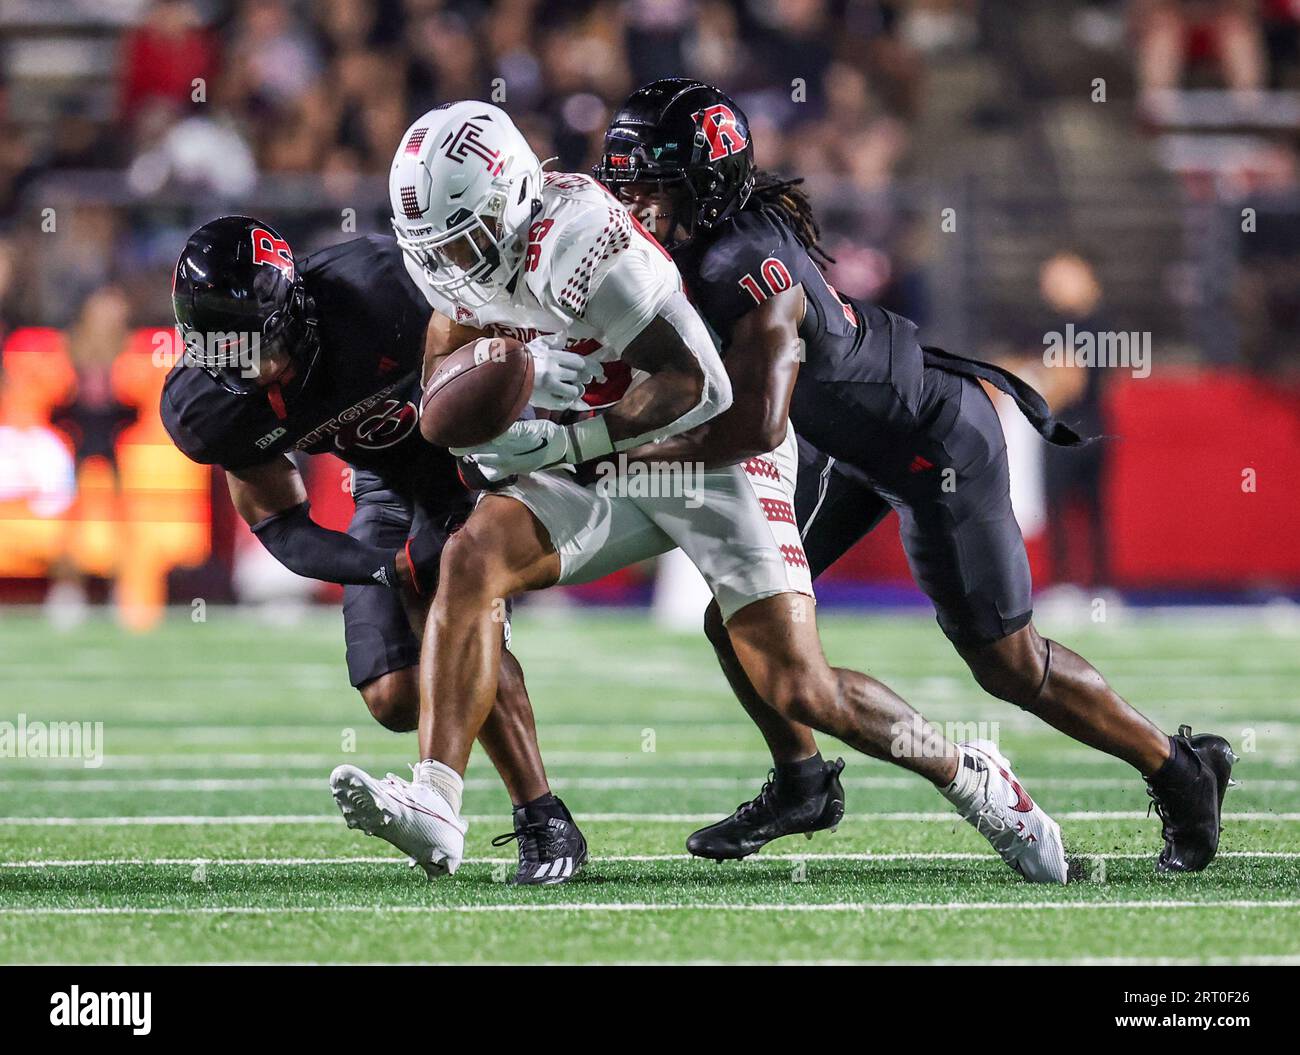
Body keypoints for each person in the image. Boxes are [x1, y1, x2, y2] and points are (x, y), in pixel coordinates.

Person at [329, 101, 1069, 884]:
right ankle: (437, 800)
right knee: (472, 556)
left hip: (710, 452)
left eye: (468, 236)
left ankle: (971, 775)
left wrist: (571, 436)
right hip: (607, 447)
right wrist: (503, 405)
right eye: (437, 244)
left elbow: (699, 383)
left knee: (800, 685)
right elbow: (450, 346)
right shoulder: (460, 253)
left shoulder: (586, 244)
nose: (454, 259)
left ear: (512, 196)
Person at [594, 78, 1235, 873]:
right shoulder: (704, 237)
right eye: (628, 181)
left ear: (707, 180)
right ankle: (802, 782)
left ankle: (1180, 770)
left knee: (1008, 664)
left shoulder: (740, 259)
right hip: (847, 439)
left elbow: (754, 423)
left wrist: (614, 456)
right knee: (736, 616)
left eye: (654, 183)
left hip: (930, 440)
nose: (636, 201)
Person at [162, 214, 587, 884]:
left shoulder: (385, 290)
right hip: (386, 482)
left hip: (474, 453)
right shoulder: (208, 407)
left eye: (256, 341)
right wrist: (385, 564)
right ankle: (463, 693)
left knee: (444, 596)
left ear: (293, 310)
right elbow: (279, 523)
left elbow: (498, 339)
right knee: (391, 695)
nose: (246, 365)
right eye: (224, 350)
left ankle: (542, 816)